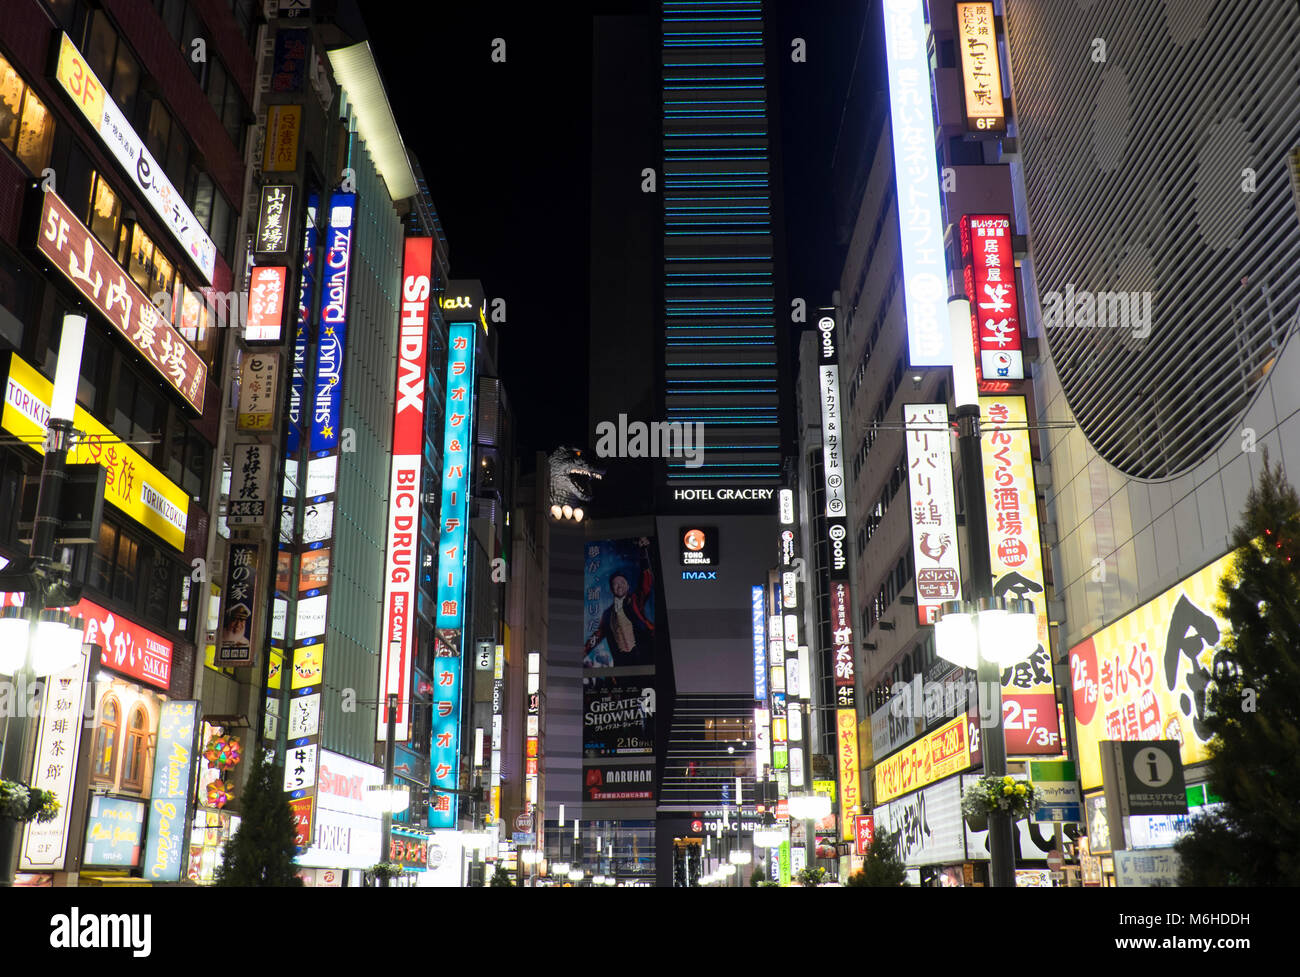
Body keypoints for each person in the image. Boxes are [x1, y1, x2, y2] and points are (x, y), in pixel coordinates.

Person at [583, 537, 654, 666]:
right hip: (622, 664)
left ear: (628, 586)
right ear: (611, 589)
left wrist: (643, 555)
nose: (619, 585)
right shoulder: (607, 614)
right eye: (615, 584)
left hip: (644, 658)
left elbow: (646, 584)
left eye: (622, 582)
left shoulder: (635, 600)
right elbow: (596, 637)